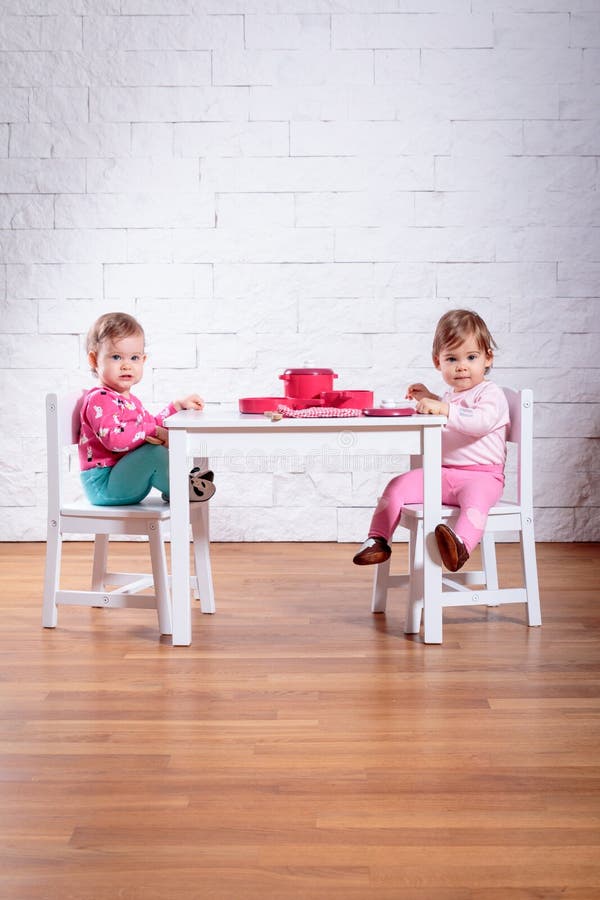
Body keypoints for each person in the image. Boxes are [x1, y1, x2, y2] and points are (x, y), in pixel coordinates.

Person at [353, 309, 509, 572]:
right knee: (397, 486)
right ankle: (377, 539)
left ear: (487, 358)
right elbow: (451, 411)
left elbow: (479, 421)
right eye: (451, 358)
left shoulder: (490, 393)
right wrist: (431, 398)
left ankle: (459, 546)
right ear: (438, 362)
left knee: (476, 502)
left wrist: (443, 408)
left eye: (471, 357)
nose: (461, 366)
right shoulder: (450, 396)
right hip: (443, 475)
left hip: (483, 477)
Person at [79, 312, 215, 506]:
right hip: (104, 485)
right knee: (153, 451)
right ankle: (180, 486)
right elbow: (116, 440)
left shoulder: (129, 400)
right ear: (94, 361)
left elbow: (149, 426)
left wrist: (176, 407)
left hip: (123, 479)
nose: (126, 365)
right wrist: (152, 431)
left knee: (154, 446)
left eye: (134, 358)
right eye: (116, 357)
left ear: (143, 360)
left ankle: (179, 483)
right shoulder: (99, 399)